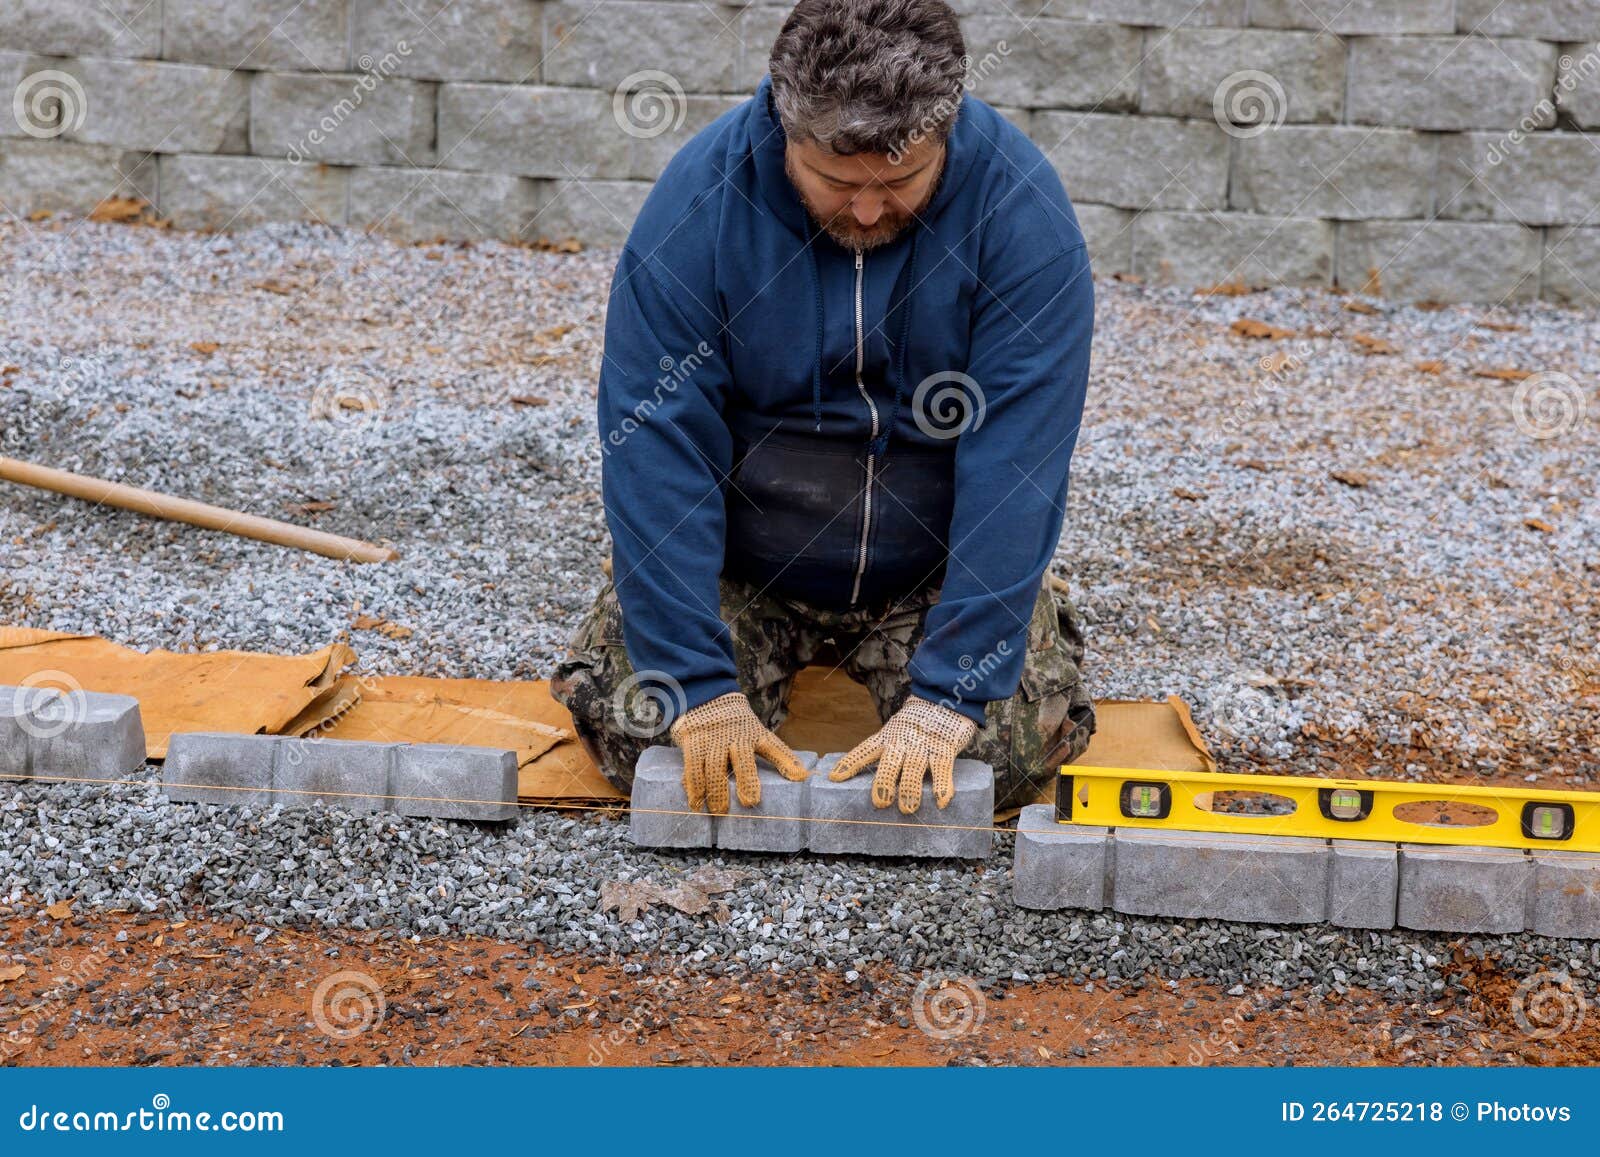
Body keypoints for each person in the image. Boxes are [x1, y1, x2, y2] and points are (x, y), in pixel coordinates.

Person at [552, 0, 1096, 815]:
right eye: (838, 183)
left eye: (902, 183)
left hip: (927, 571)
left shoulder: (1023, 216)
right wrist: (699, 685)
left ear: (946, 131)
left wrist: (951, 695)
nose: (870, 211)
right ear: (785, 125)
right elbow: (654, 440)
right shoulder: (698, 207)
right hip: (750, 564)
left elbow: (1020, 465)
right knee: (650, 738)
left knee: (1001, 763)